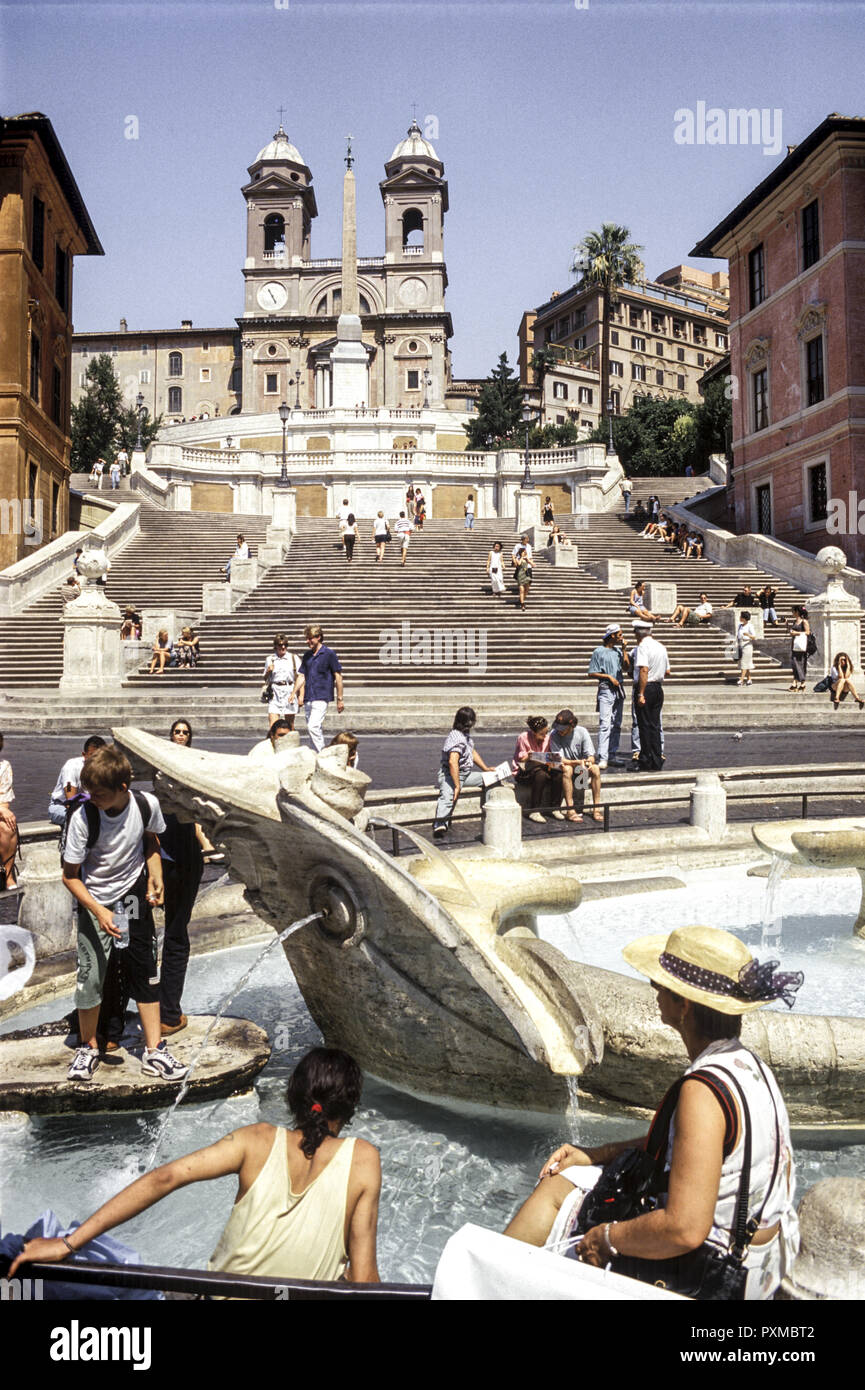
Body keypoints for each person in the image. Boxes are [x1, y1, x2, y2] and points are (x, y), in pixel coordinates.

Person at [504, 925, 802, 1303]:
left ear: (684, 1005)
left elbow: (684, 1229)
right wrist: (597, 1153)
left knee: (556, 1191)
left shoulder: (703, 1090)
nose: (654, 991)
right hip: (762, 1256)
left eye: (660, 985)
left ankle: (491, 1282)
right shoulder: (748, 1065)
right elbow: (698, 1150)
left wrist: (606, 1238)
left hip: (711, 1269)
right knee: (576, 1175)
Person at [10, 1047, 382, 1287]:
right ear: (348, 1109)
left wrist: (68, 1242)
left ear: (293, 1096)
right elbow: (364, 1280)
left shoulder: (256, 1140)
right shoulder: (364, 1160)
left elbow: (165, 1177)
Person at [61, 745, 187, 1083]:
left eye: (99, 794)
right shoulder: (83, 817)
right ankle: (88, 1047)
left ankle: (154, 1050)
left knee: (146, 970)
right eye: (90, 793)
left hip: (132, 895)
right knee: (91, 976)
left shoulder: (146, 805)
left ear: (123, 789)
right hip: (96, 899)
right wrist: (99, 911)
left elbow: (150, 842)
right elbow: (70, 875)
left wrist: (156, 874)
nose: (93, 799)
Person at [159, 720, 210, 1037]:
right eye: (176, 731)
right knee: (175, 936)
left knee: (169, 934)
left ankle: (163, 1011)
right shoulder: (186, 780)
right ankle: (168, 1013)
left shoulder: (159, 786)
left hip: (170, 860)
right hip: (173, 861)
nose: (180, 735)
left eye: (184, 732)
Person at [432, 706, 493, 838]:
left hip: (465, 774)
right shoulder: (456, 738)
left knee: (491, 779)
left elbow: (472, 752)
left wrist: (486, 769)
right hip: (450, 775)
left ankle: (489, 812)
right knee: (447, 796)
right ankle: (440, 824)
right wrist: (457, 785)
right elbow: (453, 763)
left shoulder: (465, 735)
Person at [291, 624, 344, 753]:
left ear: (318, 637)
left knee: (313, 726)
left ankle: (323, 754)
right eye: (307, 638)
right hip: (309, 695)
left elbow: (338, 676)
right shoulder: (307, 655)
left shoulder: (329, 654)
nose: (307, 641)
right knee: (313, 729)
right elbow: (302, 675)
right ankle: (315, 755)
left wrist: (340, 699)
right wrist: (294, 692)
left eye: (310, 638)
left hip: (322, 695)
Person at [548, 709, 603, 823]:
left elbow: (591, 756)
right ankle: (570, 809)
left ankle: (596, 808)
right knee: (567, 769)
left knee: (595, 769)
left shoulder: (582, 732)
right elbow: (558, 758)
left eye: (563, 729)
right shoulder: (553, 735)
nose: (559, 731)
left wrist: (587, 762)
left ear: (572, 725)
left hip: (580, 766)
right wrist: (577, 762)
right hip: (565, 766)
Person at [587, 624, 629, 770]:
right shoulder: (598, 652)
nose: (621, 637)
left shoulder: (618, 651)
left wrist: (624, 651)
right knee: (605, 724)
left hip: (618, 689)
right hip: (606, 689)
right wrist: (608, 677)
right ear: (612, 636)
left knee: (616, 723)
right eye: (620, 635)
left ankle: (612, 754)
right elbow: (591, 672)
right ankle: (603, 756)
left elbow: (626, 667)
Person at [631, 619, 670, 772]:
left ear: (638, 633)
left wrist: (640, 693)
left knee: (644, 725)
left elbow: (643, 670)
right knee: (655, 724)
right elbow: (667, 670)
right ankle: (656, 757)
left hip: (646, 687)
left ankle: (646, 759)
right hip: (658, 688)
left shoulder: (642, 647)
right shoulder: (661, 647)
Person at [47, 734, 108, 827]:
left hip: (88, 806)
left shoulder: (106, 768)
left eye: (101, 757)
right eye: (93, 756)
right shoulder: (71, 767)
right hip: (61, 806)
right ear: (84, 755)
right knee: (80, 818)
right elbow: (71, 802)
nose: (97, 761)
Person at [512, 716, 556, 823]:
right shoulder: (523, 737)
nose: (544, 736)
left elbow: (551, 756)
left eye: (546, 733)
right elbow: (521, 759)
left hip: (542, 768)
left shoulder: (548, 738)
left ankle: (555, 807)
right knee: (541, 775)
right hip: (524, 772)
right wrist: (529, 756)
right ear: (533, 732)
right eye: (541, 734)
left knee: (559, 774)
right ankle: (534, 810)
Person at [262, 633, 300, 730]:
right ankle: (273, 743)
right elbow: (265, 678)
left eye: (285, 645)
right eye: (280, 645)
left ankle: (291, 744)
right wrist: (268, 671)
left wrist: (301, 695)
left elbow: (301, 677)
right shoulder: (270, 659)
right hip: (275, 692)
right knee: (273, 725)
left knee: (289, 724)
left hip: (289, 690)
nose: (283, 647)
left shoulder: (293, 658)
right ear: (275, 646)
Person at [0, 734, 18, 889]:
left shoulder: (4, 766)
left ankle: (8, 876)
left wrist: (1, 809)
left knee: (8, 826)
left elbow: (4, 804)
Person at [787, 605, 811, 692]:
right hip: (795, 645)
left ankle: (800, 682)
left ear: (797, 612)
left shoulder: (804, 621)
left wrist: (796, 633)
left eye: (793, 611)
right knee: (794, 664)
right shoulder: (795, 621)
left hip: (801, 646)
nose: (792, 613)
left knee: (799, 664)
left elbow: (808, 632)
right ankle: (798, 683)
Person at [737, 611, 756, 687]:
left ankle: (741, 679)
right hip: (741, 644)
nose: (740, 618)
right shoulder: (739, 626)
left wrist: (747, 634)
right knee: (745, 663)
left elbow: (754, 637)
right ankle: (749, 679)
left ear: (744, 618)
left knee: (744, 663)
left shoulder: (750, 626)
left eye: (741, 616)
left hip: (747, 645)